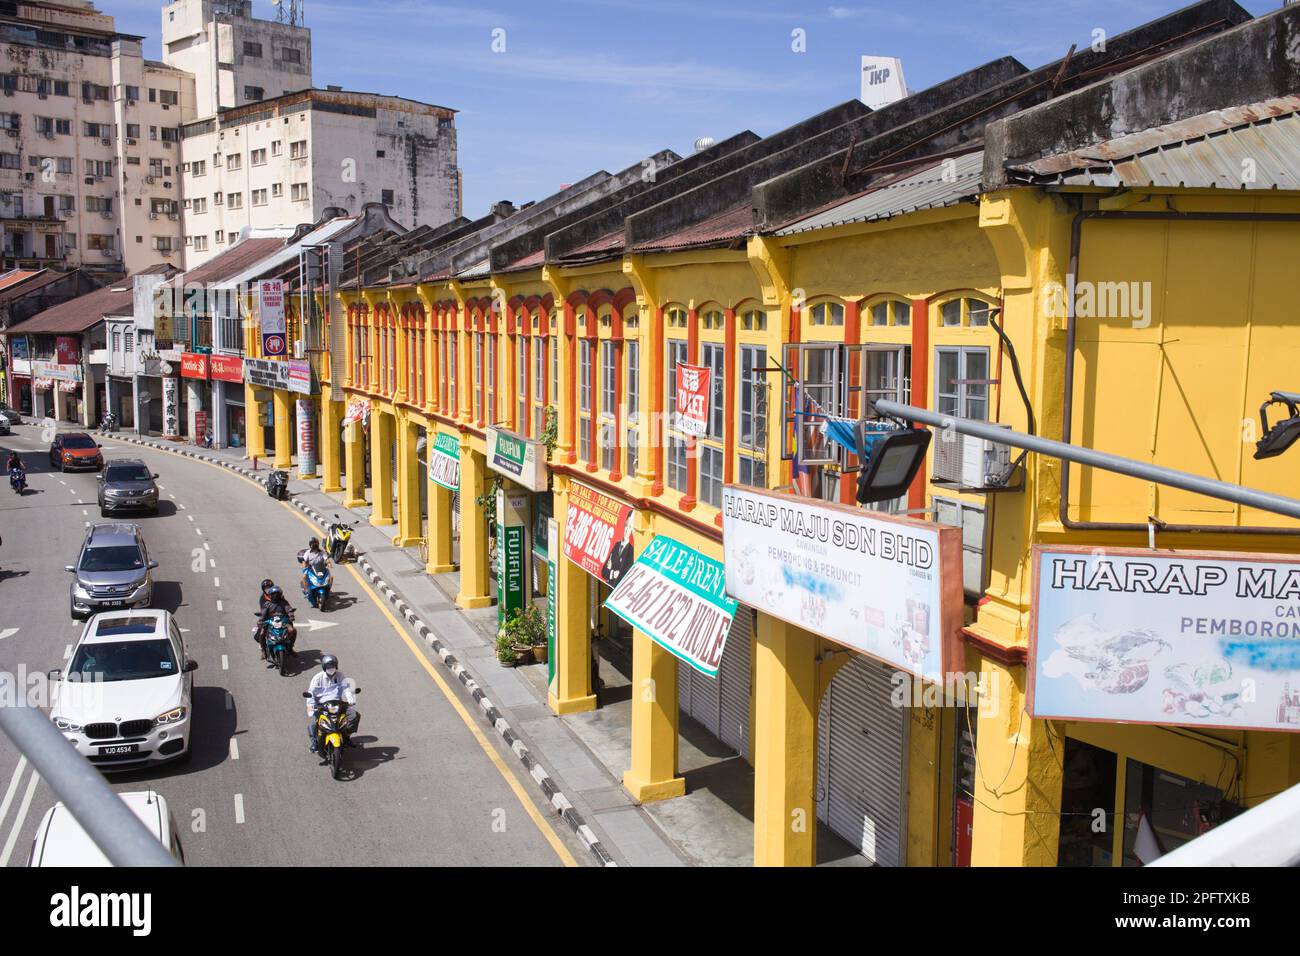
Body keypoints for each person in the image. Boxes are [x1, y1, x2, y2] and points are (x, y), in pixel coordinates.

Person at [305, 654, 359, 755]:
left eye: (333, 666)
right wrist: (311, 708)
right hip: (322, 705)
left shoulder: (340, 676)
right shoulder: (317, 678)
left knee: (354, 715)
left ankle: (346, 736)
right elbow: (311, 694)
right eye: (329, 667)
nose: (331, 669)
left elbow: (346, 689)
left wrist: (350, 699)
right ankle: (314, 743)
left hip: (337, 704)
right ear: (324, 667)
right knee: (314, 724)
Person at [255, 580, 297, 658]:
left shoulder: (283, 602)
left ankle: (290, 648)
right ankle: (263, 650)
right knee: (262, 633)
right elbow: (263, 613)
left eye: (277, 594)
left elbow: (289, 609)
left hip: (283, 620)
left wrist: (291, 616)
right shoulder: (267, 603)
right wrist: (260, 620)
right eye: (273, 595)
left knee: (292, 630)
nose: (275, 596)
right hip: (270, 621)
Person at [601, 520, 635, 586]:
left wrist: (610, 570)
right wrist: (613, 573)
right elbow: (604, 572)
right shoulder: (617, 544)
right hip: (610, 587)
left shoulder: (631, 551)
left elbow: (624, 577)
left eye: (630, 527)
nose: (627, 530)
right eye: (626, 526)